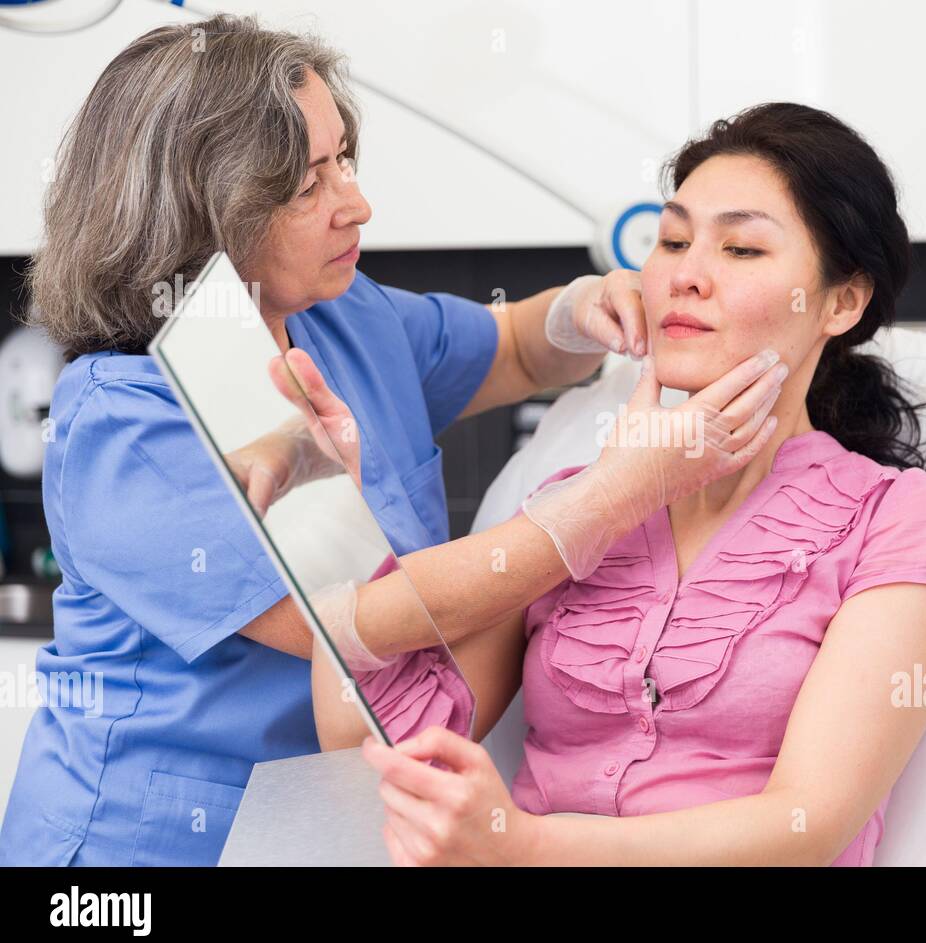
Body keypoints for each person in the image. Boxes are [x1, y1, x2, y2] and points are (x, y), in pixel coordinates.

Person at [0, 15, 783, 867]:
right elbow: (358, 630)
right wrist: (618, 492)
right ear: (211, 211)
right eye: (309, 184)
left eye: (345, 161)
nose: (356, 203)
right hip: (145, 847)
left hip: (326, 823)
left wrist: (581, 311)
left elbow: (516, 346)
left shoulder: (337, 315)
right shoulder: (126, 422)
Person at [316, 102, 926, 866]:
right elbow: (366, 737)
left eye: (740, 248)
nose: (685, 276)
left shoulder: (898, 523)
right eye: (670, 241)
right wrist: (605, 499)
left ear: (842, 301)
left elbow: (808, 823)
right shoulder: (580, 505)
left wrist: (527, 844)